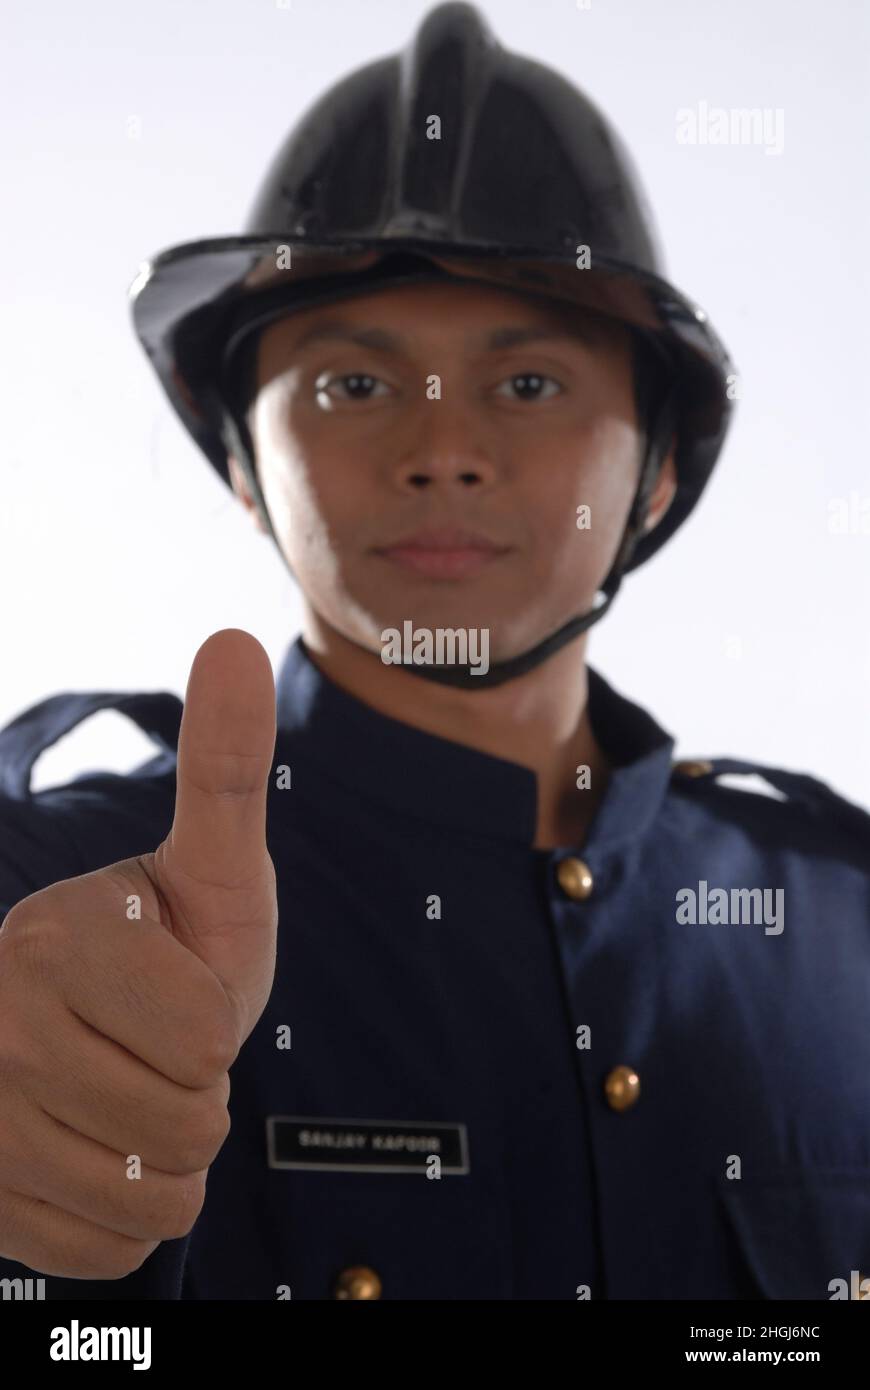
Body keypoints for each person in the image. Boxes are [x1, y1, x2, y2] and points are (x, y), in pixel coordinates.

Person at [0, 2, 868, 1303]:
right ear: (244, 460)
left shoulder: (839, 911)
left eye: (527, 383)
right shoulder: (56, 892)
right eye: (354, 383)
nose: (440, 447)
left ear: (657, 468)